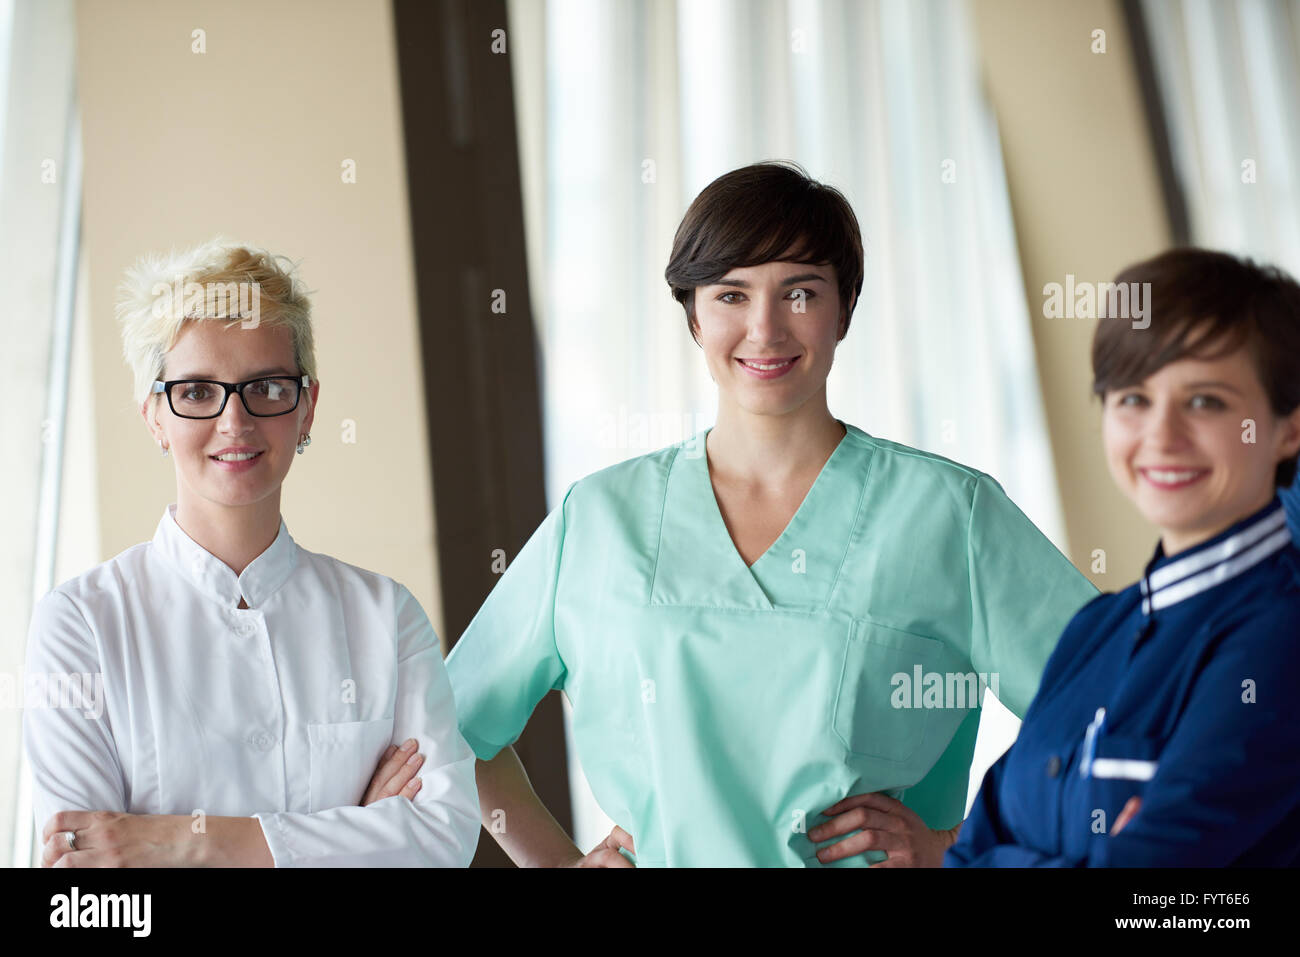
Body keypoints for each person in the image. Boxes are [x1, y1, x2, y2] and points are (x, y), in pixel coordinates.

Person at [442, 161, 1098, 867]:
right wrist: (558, 864)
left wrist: (958, 848)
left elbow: (1128, 719)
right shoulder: (599, 520)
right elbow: (450, 728)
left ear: (844, 308)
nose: (764, 327)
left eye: (800, 291)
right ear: (693, 314)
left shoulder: (948, 516)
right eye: (731, 294)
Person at [24, 239, 479, 867]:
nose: (235, 422)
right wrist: (354, 834)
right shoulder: (79, 623)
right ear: (155, 414)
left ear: (308, 408)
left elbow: (443, 842)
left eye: (265, 386)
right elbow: (86, 890)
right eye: (198, 392)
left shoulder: (386, 616)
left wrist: (184, 843)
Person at [946, 248, 1300, 867]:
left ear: (1289, 429)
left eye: (1205, 401)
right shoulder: (1097, 628)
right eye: (1134, 398)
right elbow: (968, 850)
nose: (1161, 437)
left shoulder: (1280, 636)